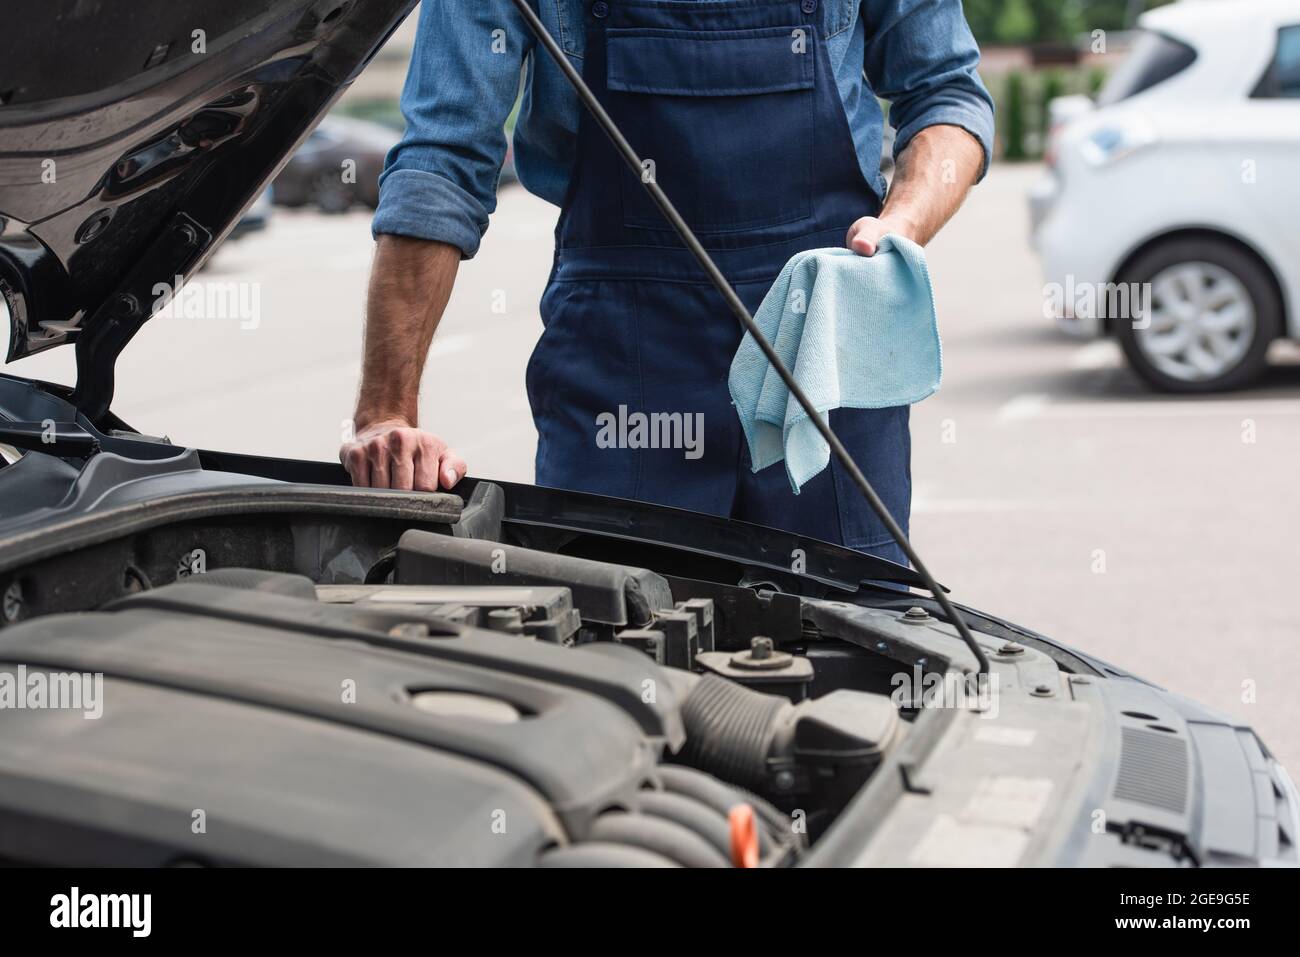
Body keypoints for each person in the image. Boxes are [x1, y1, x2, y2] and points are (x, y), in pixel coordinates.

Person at [341, 0, 994, 565]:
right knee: (613, 651)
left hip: (825, 349)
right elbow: (442, 157)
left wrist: (899, 224)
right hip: (621, 360)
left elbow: (946, 91)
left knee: (855, 666)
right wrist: (386, 412)